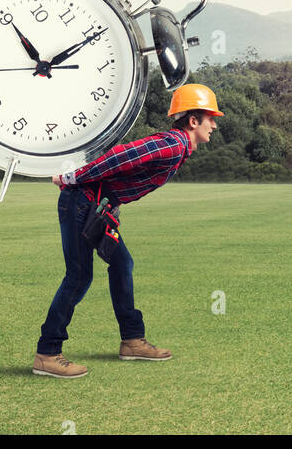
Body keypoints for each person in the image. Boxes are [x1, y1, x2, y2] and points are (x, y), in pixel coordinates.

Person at [31, 83, 224, 378]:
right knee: (79, 276)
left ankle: (132, 341)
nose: (214, 124)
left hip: (96, 205)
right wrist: (72, 177)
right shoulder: (173, 144)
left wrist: (112, 204)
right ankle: (47, 353)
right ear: (193, 121)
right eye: (210, 118)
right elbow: (121, 157)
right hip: (81, 201)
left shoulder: (179, 147)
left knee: (122, 263)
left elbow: (125, 172)